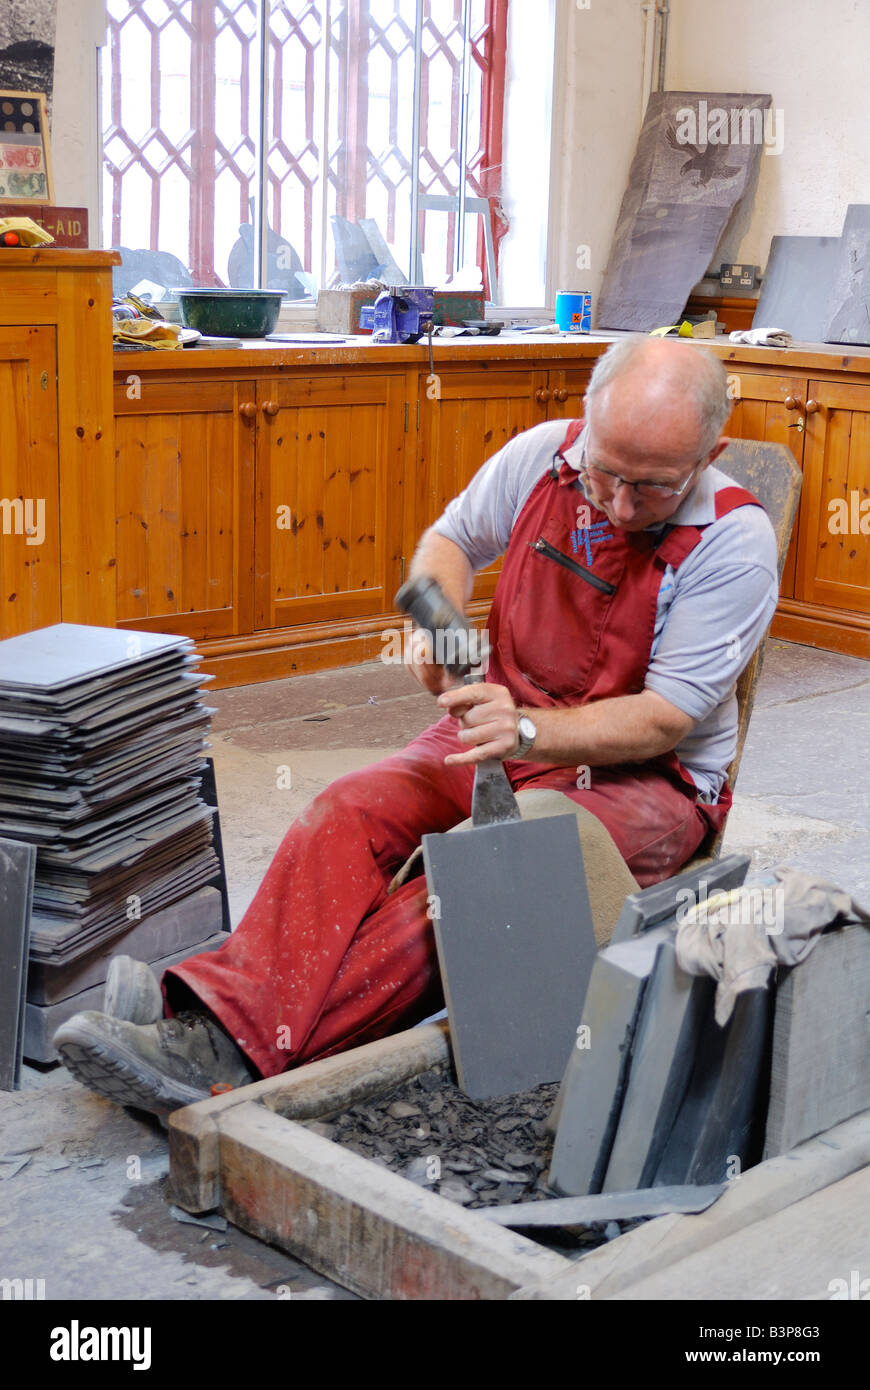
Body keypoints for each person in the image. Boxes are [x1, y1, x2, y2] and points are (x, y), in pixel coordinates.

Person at [54, 337, 779, 1115]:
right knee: (350, 809)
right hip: (507, 726)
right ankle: (212, 1019)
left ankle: (219, 1049)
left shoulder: (735, 543)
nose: (621, 503)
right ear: (588, 424)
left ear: (712, 455)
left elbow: (663, 719)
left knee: (461, 883)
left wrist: (527, 733)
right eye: (606, 473)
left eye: (654, 488)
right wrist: (438, 620)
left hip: (644, 782)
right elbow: (450, 542)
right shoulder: (546, 455)